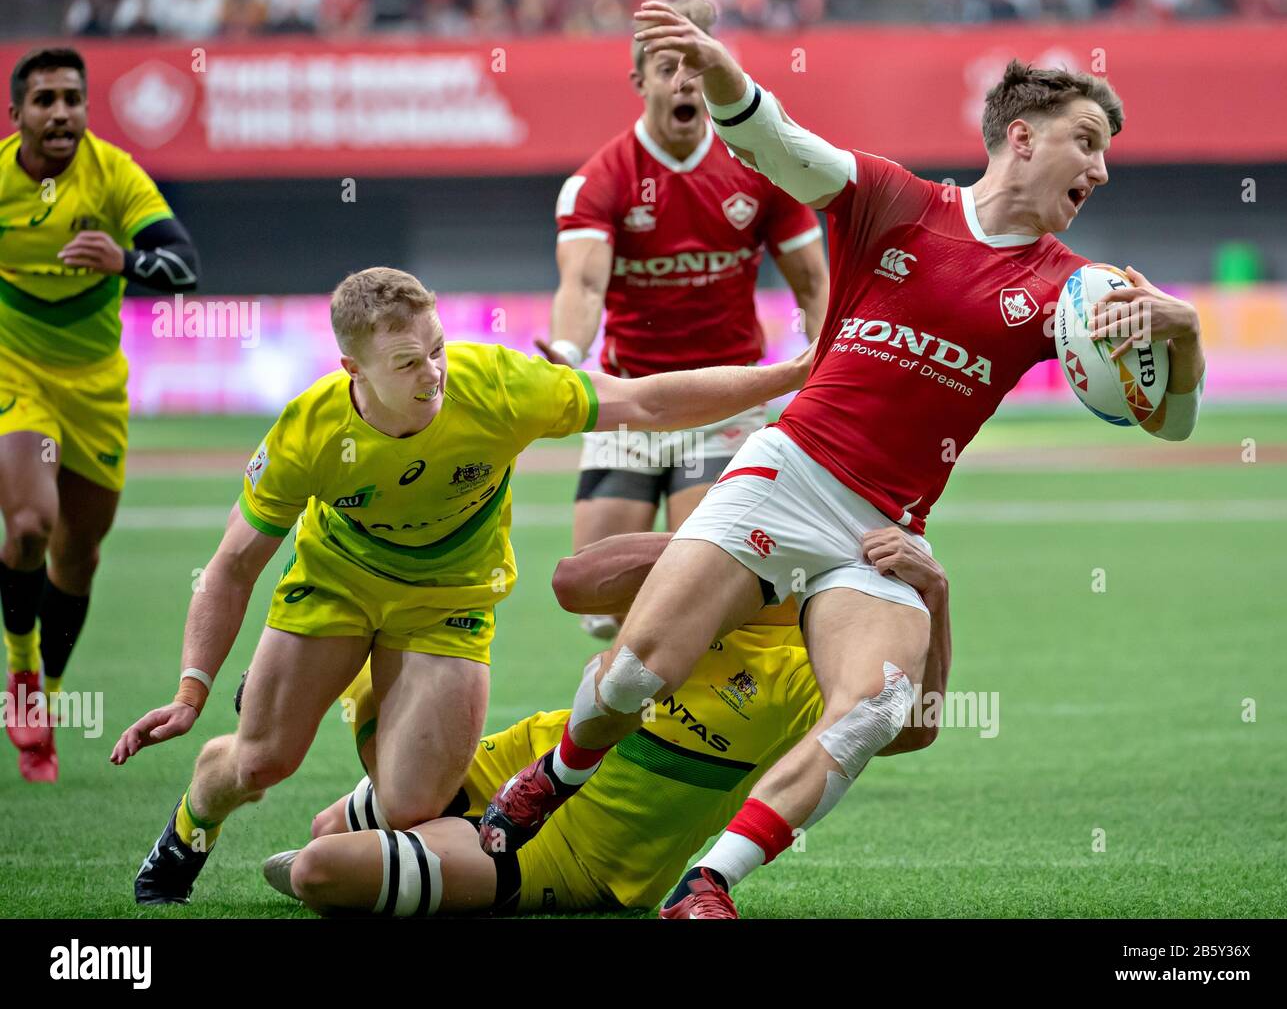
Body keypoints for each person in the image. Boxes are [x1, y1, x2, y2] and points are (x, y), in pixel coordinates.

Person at [480, 0, 1208, 918]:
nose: (1101, 169)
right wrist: (719, 68)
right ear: (1021, 138)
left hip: (883, 532)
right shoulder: (899, 200)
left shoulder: (1073, 290)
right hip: (789, 475)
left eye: (1105, 154)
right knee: (640, 667)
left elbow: (1169, 425)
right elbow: (780, 143)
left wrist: (1184, 338)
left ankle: (707, 886)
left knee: (874, 709)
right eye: (1088, 142)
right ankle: (549, 780)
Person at [110, 265, 810, 905]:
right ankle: (188, 828)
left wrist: (792, 374)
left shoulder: (498, 386)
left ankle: (361, 686)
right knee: (261, 760)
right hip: (336, 588)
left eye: (437, 347)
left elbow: (646, 403)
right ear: (352, 367)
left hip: (450, 604)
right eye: (408, 363)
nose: (434, 374)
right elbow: (233, 564)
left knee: (414, 802)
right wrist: (192, 687)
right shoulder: (310, 430)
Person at [258, 526, 950, 917]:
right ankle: (426, 816)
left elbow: (914, 727)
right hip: (524, 761)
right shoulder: (706, 583)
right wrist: (719, 538)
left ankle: (377, 724)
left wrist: (935, 595)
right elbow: (572, 581)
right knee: (326, 828)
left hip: (581, 855)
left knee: (322, 868)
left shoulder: (807, 667)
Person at [542, 0, 828, 639]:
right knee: (597, 605)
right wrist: (565, 349)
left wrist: (827, 356)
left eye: (696, 67)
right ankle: (617, 708)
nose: (684, 82)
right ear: (639, 81)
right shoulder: (600, 180)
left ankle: (694, 724)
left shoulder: (760, 170)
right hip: (630, 402)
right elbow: (584, 283)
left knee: (700, 590)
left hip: (727, 401)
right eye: (668, 68)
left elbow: (814, 284)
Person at [0, 46, 200, 782]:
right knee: (27, 526)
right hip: (14, 374)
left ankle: (47, 700)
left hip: (95, 389)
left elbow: (185, 265)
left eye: (73, 100)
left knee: (77, 557)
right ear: (17, 113)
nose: (61, 113)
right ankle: (21, 674)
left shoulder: (114, 175)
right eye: (45, 100)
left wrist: (126, 261)